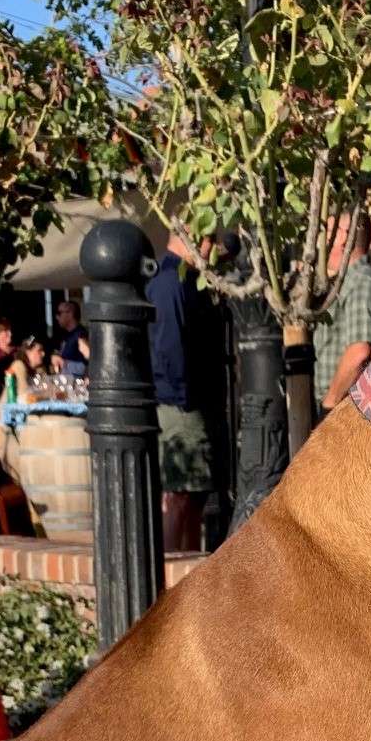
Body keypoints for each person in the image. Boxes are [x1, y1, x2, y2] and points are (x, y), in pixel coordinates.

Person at [145, 235, 216, 550]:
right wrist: (186, 397)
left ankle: (185, 570)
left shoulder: (178, 279)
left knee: (191, 495)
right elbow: (170, 348)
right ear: (191, 235)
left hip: (182, 400)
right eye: (209, 241)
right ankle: (176, 576)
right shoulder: (170, 282)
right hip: (179, 404)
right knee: (180, 495)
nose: (211, 250)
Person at [314, 211, 371, 414]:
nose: (320, 242)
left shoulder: (362, 282)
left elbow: (360, 351)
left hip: (346, 410)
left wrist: (330, 402)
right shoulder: (348, 282)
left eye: (326, 231)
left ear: (343, 236)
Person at [51, 299, 90, 378]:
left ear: (70, 313)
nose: (57, 317)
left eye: (59, 313)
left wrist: (63, 362)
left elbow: (88, 366)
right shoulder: (66, 335)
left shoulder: (81, 335)